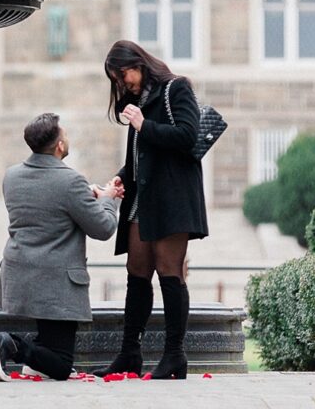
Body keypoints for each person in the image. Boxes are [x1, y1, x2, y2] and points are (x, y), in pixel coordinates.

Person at [95, 40, 209, 381]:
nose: (122, 84)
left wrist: (144, 125)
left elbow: (188, 135)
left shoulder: (177, 88)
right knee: (137, 272)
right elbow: (139, 156)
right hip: (143, 200)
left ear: (138, 63)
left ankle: (175, 356)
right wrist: (118, 178)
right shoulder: (136, 103)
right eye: (116, 81)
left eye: (123, 75)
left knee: (169, 272)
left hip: (173, 198)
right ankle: (130, 353)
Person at [0, 112, 122, 382]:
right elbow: (103, 228)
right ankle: (10, 344)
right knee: (61, 365)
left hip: (20, 272)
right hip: (57, 281)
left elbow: (48, 207)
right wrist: (107, 199)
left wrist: (86, 197)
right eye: (65, 136)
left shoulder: (12, 176)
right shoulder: (71, 181)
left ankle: (33, 363)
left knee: (52, 349)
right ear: (59, 145)